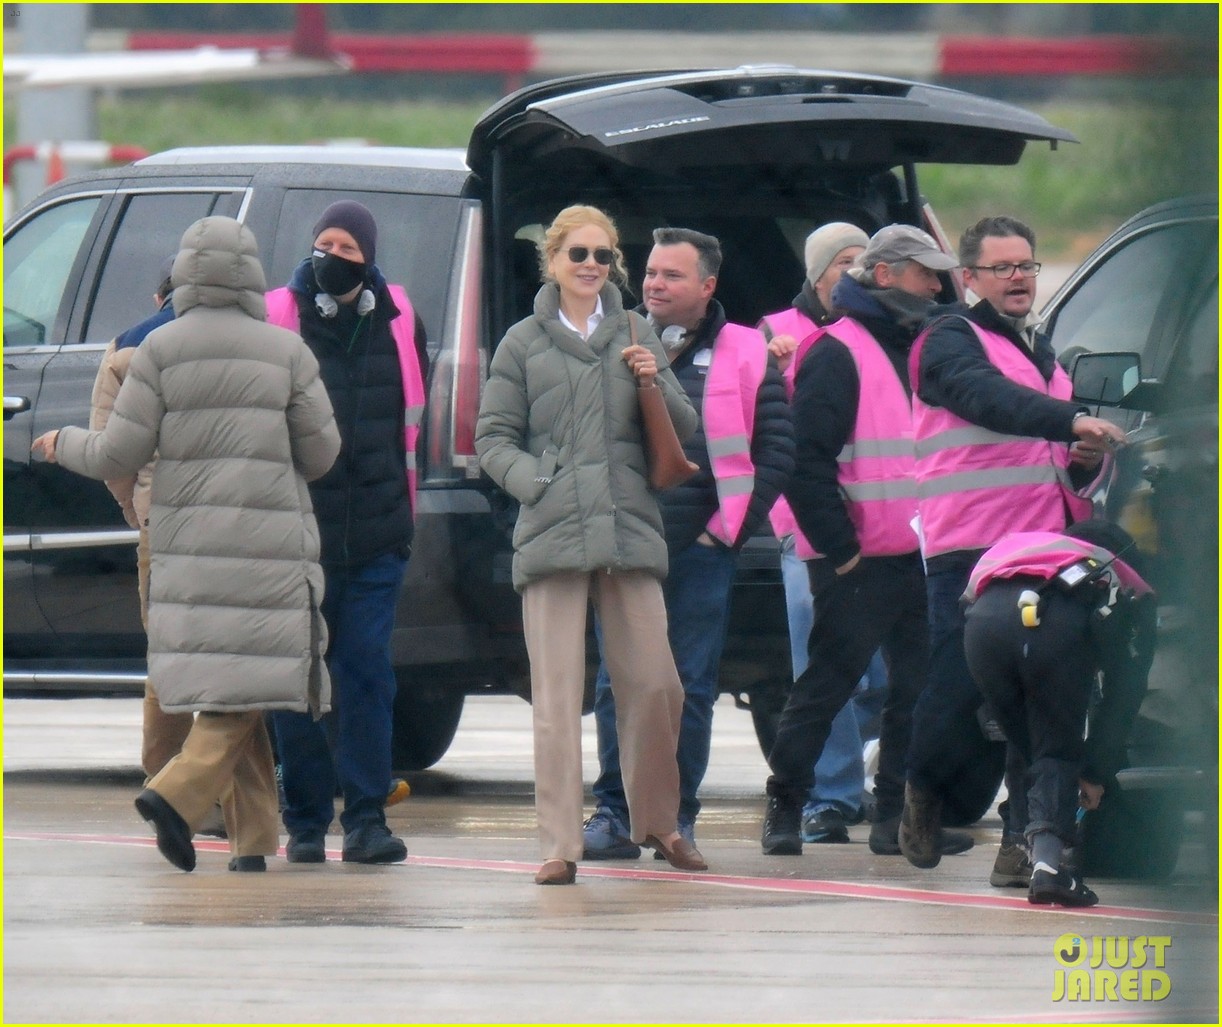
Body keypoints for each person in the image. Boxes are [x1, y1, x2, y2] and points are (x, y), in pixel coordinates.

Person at [32, 215, 340, 873]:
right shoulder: (286, 351)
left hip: (187, 548)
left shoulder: (159, 351)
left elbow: (120, 449)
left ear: (187, 275)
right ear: (250, 274)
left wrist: (63, 443)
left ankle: (253, 840)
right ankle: (175, 793)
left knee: (230, 682)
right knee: (254, 681)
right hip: (269, 548)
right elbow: (321, 454)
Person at [475, 204, 704, 885]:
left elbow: (683, 428)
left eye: (603, 255)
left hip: (628, 527)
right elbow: (492, 438)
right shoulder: (522, 342)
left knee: (657, 683)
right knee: (555, 697)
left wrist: (652, 375)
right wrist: (536, 483)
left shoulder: (636, 331)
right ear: (553, 261)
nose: (591, 266)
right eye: (578, 253)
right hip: (552, 530)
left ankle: (660, 821)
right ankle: (557, 843)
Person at [900, 215, 1127, 871]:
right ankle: (920, 785)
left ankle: (1022, 838)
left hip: (1041, 542)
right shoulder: (947, 341)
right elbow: (987, 399)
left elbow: (1054, 453)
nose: (1019, 277)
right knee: (961, 680)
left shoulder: (1043, 353)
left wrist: (1082, 455)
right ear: (967, 279)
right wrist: (1070, 417)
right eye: (1002, 267)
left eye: (1026, 264)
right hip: (971, 543)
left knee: (1040, 688)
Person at [760, 224, 974, 859]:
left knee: (916, 691)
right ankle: (785, 807)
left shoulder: (923, 347)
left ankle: (893, 821)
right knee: (826, 687)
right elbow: (804, 461)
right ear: (885, 276)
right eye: (925, 273)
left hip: (920, 554)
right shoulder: (836, 351)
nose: (938, 285)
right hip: (859, 561)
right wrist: (841, 548)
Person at [581, 227, 793, 860]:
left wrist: (723, 531)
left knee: (687, 687)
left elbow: (776, 451)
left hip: (699, 552)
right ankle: (616, 815)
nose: (654, 284)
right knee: (616, 686)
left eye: (671, 276)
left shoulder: (747, 353)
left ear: (707, 286)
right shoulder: (609, 340)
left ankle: (675, 816)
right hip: (623, 546)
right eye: (649, 273)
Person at [265, 200, 428, 866]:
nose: (331, 256)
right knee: (298, 680)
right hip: (297, 535)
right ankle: (304, 821)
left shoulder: (399, 315)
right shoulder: (279, 313)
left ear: (368, 258)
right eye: (322, 242)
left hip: (378, 530)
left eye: (347, 248)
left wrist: (404, 521)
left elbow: (412, 421)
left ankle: (365, 818)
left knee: (366, 672)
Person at [760, 221, 888, 844]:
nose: (856, 271)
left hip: (884, 524)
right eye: (844, 261)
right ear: (816, 274)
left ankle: (878, 777)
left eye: (867, 261)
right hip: (808, 527)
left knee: (885, 672)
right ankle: (832, 797)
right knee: (829, 660)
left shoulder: (884, 333)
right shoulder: (773, 334)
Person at [962, 522, 1156, 906]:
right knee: (1056, 748)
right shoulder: (1124, 578)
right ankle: (1049, 868)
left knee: (1036, 746)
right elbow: (1124, 692)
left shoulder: (1022, 545)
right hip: (1054, 622)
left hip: (983, 627)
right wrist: (1095, 771)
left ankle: (1027, 849)